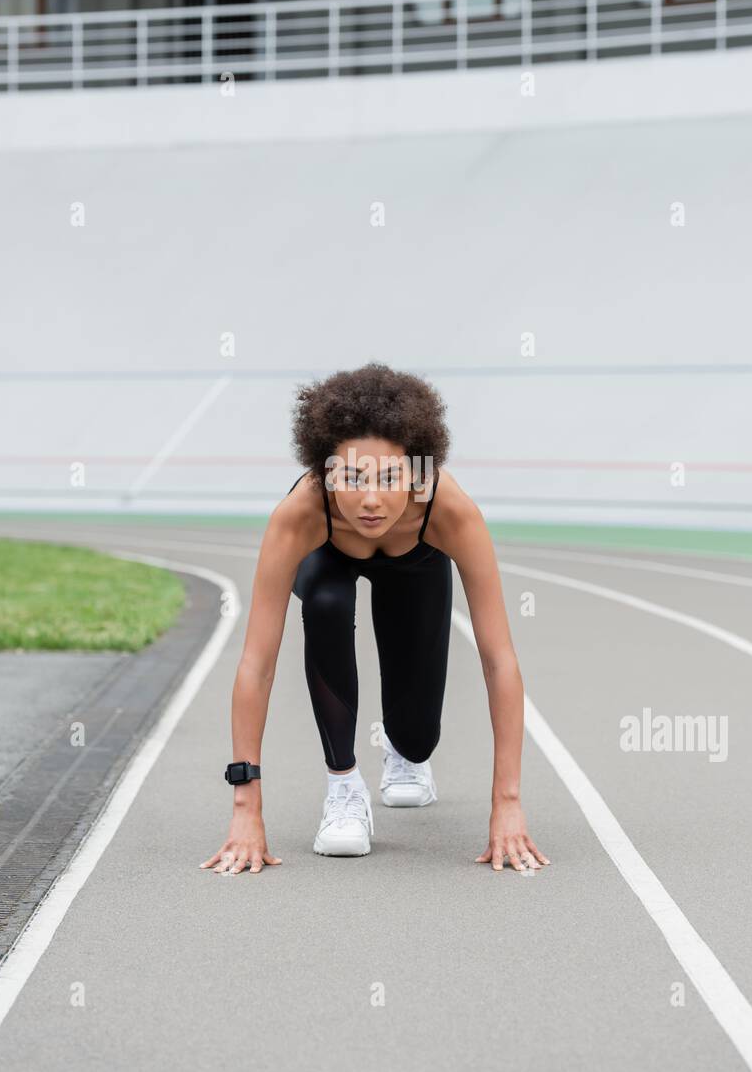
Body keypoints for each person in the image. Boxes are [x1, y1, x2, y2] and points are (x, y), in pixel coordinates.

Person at [201, 362, 549, 875]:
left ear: (419, 473)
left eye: (390, 478)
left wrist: (508, 803)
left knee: (417, 735)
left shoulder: (449, 512)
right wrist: (244, 809)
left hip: (417, 564)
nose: (369, 499)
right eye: (352, 477)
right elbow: (257, 663)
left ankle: (403, 750)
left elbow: (500, 661)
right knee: (326, 603)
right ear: (324, 473)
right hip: (329, 563)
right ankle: (343, 786)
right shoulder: (300, 513)